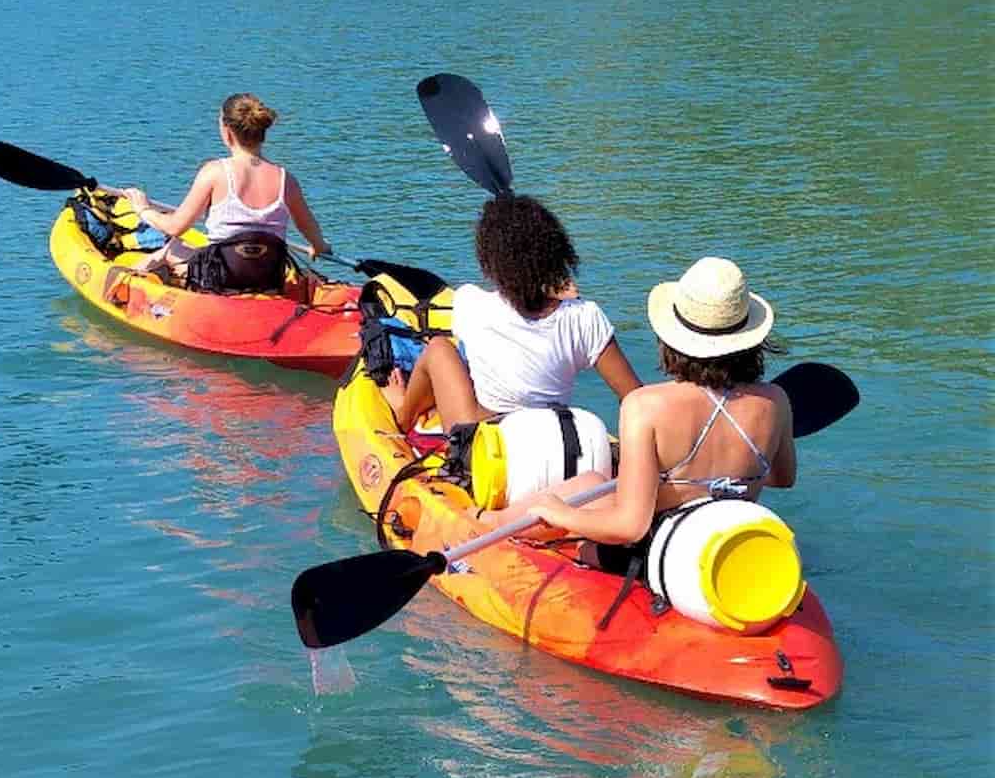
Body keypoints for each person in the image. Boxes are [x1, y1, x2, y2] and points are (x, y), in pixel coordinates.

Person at [499, 256, 796, 565]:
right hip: (730, 541)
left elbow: (630, 527)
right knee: (590, 483)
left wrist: (563, 514)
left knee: (573, 500)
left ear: (672, 338)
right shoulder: (776, 400)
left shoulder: (645, 405)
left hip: (658, 552)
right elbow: (782, 477)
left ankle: (482, 523)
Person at [381, 193, 641, 435]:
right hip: (551, 438)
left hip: (486, 446)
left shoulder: (470, 301)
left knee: (438, 348)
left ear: (489, 262)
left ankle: (404, 413)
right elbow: (634, 397)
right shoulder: (586, 316)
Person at [122, 92, 330, 276]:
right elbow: (310, 230)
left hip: (222, 277)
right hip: (269, 276)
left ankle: (125, 283)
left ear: (227, 130)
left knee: (172, 248)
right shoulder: (287, 180)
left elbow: (175, 227)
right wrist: (318, 246)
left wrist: (144, 209)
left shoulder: (214, 172)